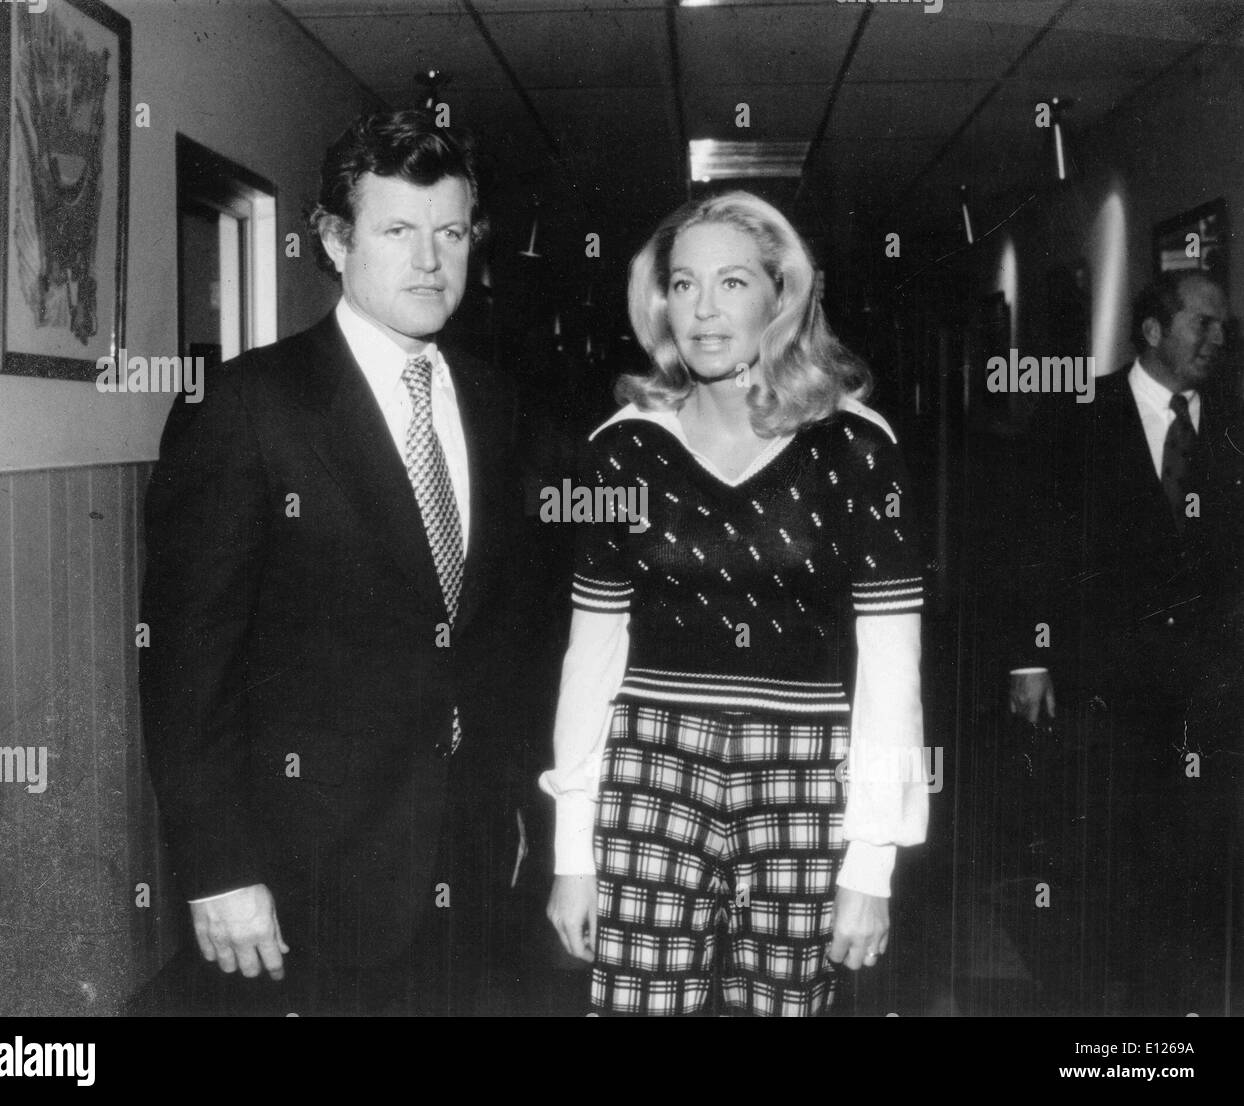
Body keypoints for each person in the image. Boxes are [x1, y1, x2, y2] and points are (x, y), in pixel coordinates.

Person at [139, 109, 529, 1016]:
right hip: (303, 884)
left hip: (462, 868)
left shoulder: (499, 405)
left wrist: (510, 809)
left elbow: (493, 633)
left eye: (451, 232)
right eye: (398, 231)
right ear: (333, 239)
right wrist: (216, 869)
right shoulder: (244, 407)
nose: (430, 261)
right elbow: (185, 662)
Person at [542, 191, 928, 1016]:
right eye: (683, 285)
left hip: (807, 769)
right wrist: (572, 850)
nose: (704, 311)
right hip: (651, 764)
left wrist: (872, 859)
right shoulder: (620, 450)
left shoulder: (859, 448)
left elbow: (893, 668)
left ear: (782, 295)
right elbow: (591, 653)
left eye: (731, 283)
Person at [1005, 270, 1244, 1015]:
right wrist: (1029, 657)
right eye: (1201, 324)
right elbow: (1028, 541)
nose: (1217, 339)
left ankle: (1165, 1006)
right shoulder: (1080, 416)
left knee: (1191, 850)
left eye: (1223, 327)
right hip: (1100, 676)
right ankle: (1082, 1004)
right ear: (1150, 330)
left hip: (1208, 682)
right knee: (1098, 844)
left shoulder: (1233, 419)